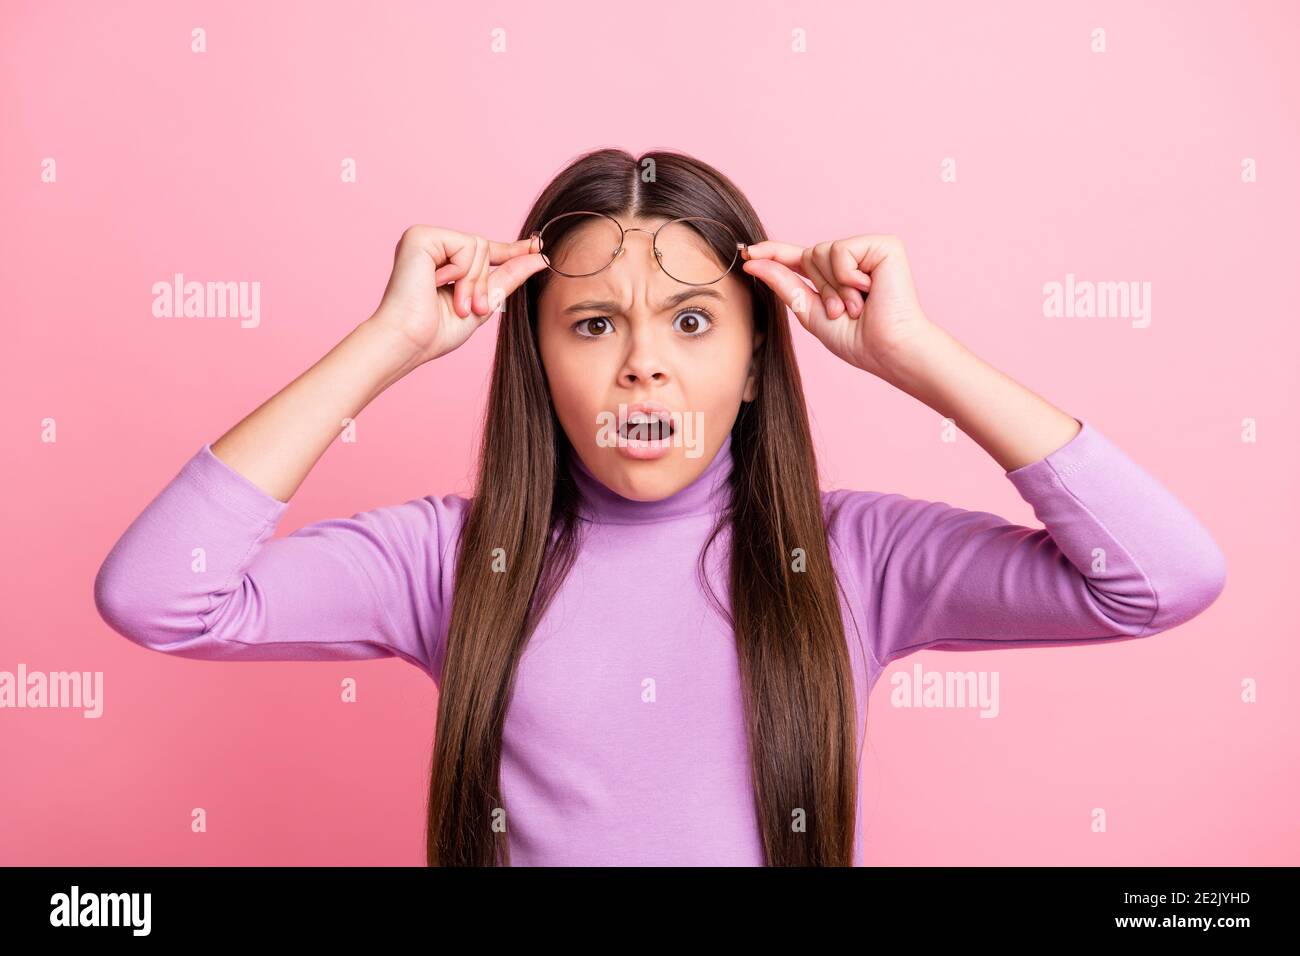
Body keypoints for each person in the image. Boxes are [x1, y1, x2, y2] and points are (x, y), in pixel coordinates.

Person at [93, 147, 1226, 866]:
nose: (644, 366)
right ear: (534, 361)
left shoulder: (851, 556)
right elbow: (159, 597)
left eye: (692, 322)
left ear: (751, 360)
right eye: (592, 324)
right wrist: (386, 344)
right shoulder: (450, 558)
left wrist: (915, 356)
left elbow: (1162, 578)